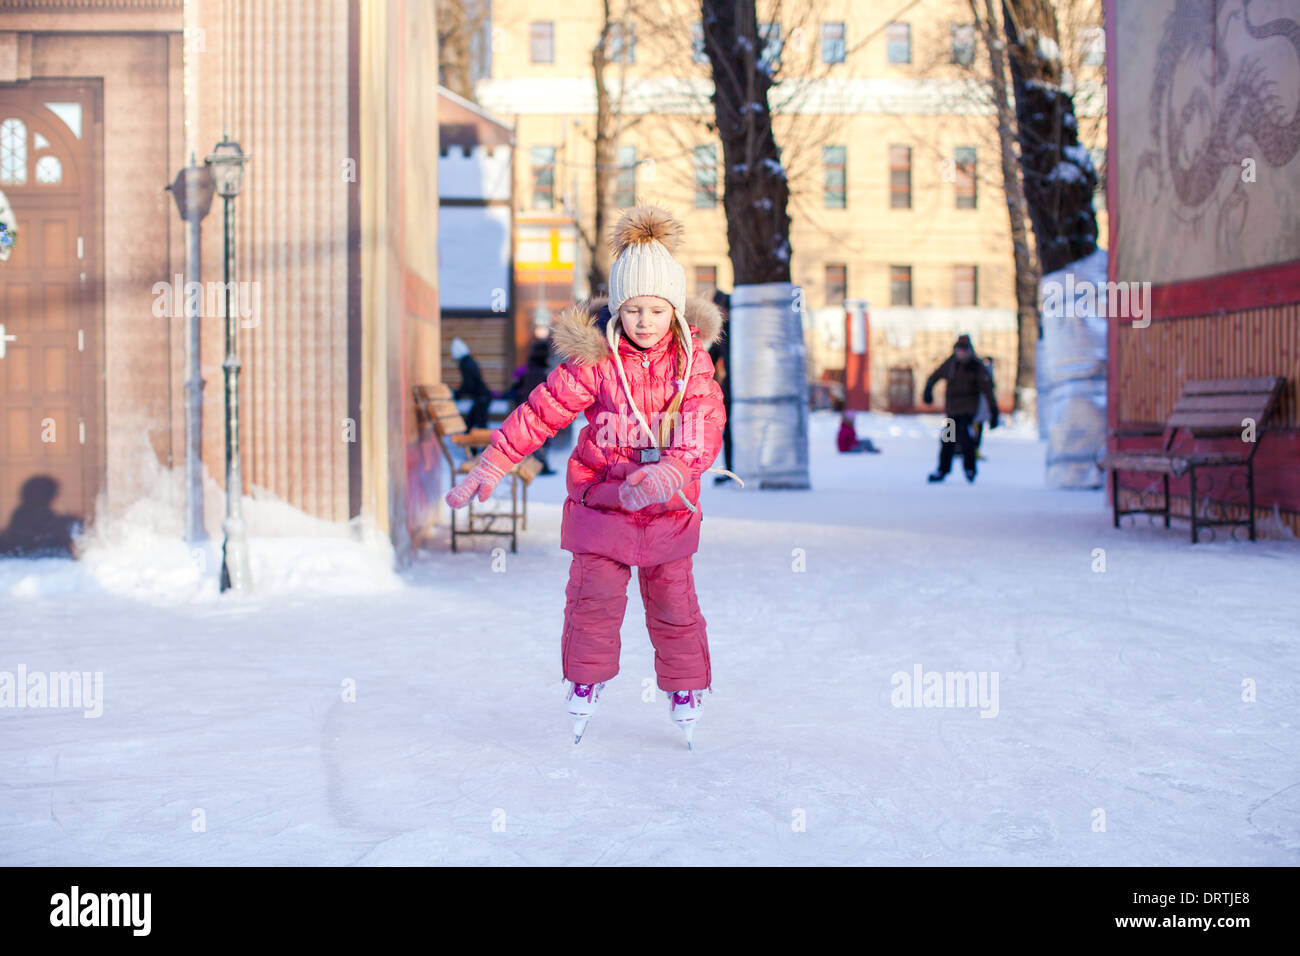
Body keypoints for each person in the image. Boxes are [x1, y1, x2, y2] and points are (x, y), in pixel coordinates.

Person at [444, 206, 726, 749]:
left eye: (656, 310)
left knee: (674, 605)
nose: (645, 321)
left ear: (674, 311)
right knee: (593, 601)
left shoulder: (691, 365)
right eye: (634, 310)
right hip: (602, 507)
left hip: (668, 512)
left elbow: (705, 423)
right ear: (618, 310)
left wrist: (672, 470)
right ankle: (584, 683)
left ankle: (686, 690)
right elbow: (543, 410)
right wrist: (496, 460)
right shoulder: (595, 361)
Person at [922, 334, 998, 483]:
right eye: (958, 350)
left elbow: (988, 390)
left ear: (969, 350)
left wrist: (993, 412)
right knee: (948, 440)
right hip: (952, 411)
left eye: (963, 350)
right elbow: (934, 376)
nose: (961, 353)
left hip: (968, 410)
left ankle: (970, 469)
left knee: (966, 439)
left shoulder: (975, 367)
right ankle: (942, 470)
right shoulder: (951, 364)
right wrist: (928, 390)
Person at [510, 337, 557, 474]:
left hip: (528, 408)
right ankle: (541, 465)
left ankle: (540, 464)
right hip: (536, 409)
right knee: (540, 437)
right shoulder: (540, 372)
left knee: (537, 437)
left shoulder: (529, 370)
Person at [708, 289, 735, 484]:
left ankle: (738, 468)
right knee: (729, 429)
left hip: (742, 385)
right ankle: (731, 469)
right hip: (730, 386)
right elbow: (711, 357)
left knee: (736, 428)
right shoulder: (723, 329)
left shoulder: (739, 328)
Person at [450, 337, 493, 431]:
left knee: (476, 424)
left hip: (481, 398)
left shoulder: (464, 364)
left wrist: (458, 394)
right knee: (473, 423)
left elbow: (468, 383)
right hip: (482, 397)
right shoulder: (470, 361)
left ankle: (478, 444)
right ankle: (473, 445)